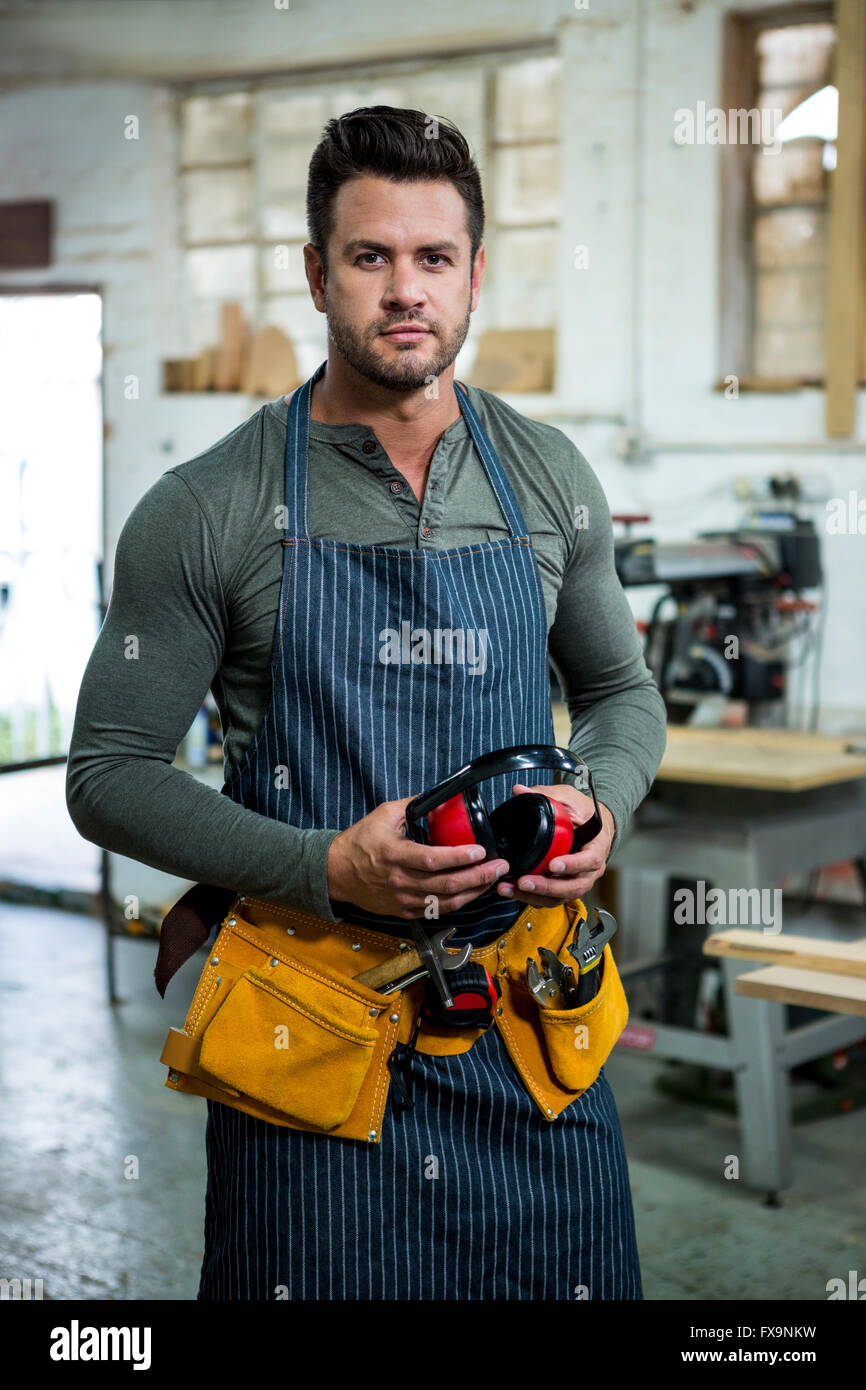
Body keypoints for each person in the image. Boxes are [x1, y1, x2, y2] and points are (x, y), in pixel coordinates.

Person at [67, 105, 666, 1300]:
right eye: (369, 256)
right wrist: (320, 864)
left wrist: (599, 802)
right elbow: (109, 769)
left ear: (474, 275)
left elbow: (617, 691)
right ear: (315, 272)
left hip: (527, 1028)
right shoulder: (211, 506)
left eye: (433, 258)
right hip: (309, 1038)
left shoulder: (548, 476)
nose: (405, 291)